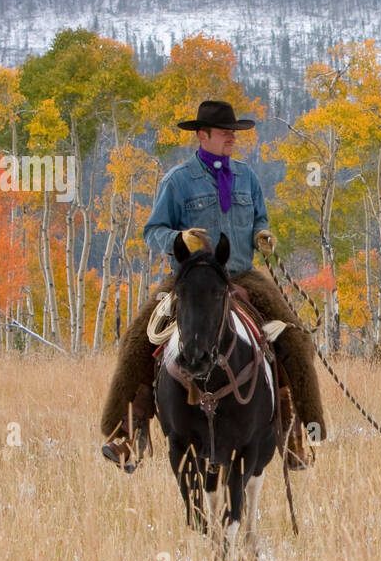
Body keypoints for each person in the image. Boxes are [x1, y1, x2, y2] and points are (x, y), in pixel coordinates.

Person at [100, 100, 326, 471]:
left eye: (234, 134)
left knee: (296, 338)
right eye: (225, 133)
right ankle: (124, 431)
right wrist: (179, 237)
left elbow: (259, 217)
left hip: (241, 274)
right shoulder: (177, 180)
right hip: (191, 279)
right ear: (202, 135)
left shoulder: (247, 177)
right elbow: (152, 231)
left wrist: (262, 234)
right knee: (138, 339)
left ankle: (298, 433)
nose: (232, 139)